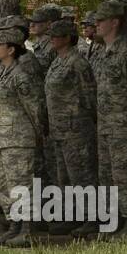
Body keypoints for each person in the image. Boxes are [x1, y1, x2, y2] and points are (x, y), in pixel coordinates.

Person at [91, 0, 127, 238]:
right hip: (105, 124)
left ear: (114, 22)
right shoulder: (104, 53)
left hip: (123, 124)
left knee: (125, 174)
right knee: (106, 175)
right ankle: (113, 221)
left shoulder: (126, 52)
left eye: (100, 21)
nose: (96, 26)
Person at [0, 26, 43, 247]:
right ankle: (14, 225)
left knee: (21, 185)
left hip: (18, 140)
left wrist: (38, 134)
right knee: (4, 185)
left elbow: (34, 108)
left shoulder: (21, 75)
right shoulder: (2, 71)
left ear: (11, 49)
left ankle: (27, 229)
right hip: (1, 139)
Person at [44, 18, 98, 237]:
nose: (52, 39)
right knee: (63, 176)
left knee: (82, 176)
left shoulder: (78, 62)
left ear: (68, 38)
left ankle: (92, 217)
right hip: (58, 128)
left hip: (76, 127)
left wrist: (84, 118)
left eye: (56, 36)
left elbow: (89, 94)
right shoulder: (57, 61)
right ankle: (71, 216)